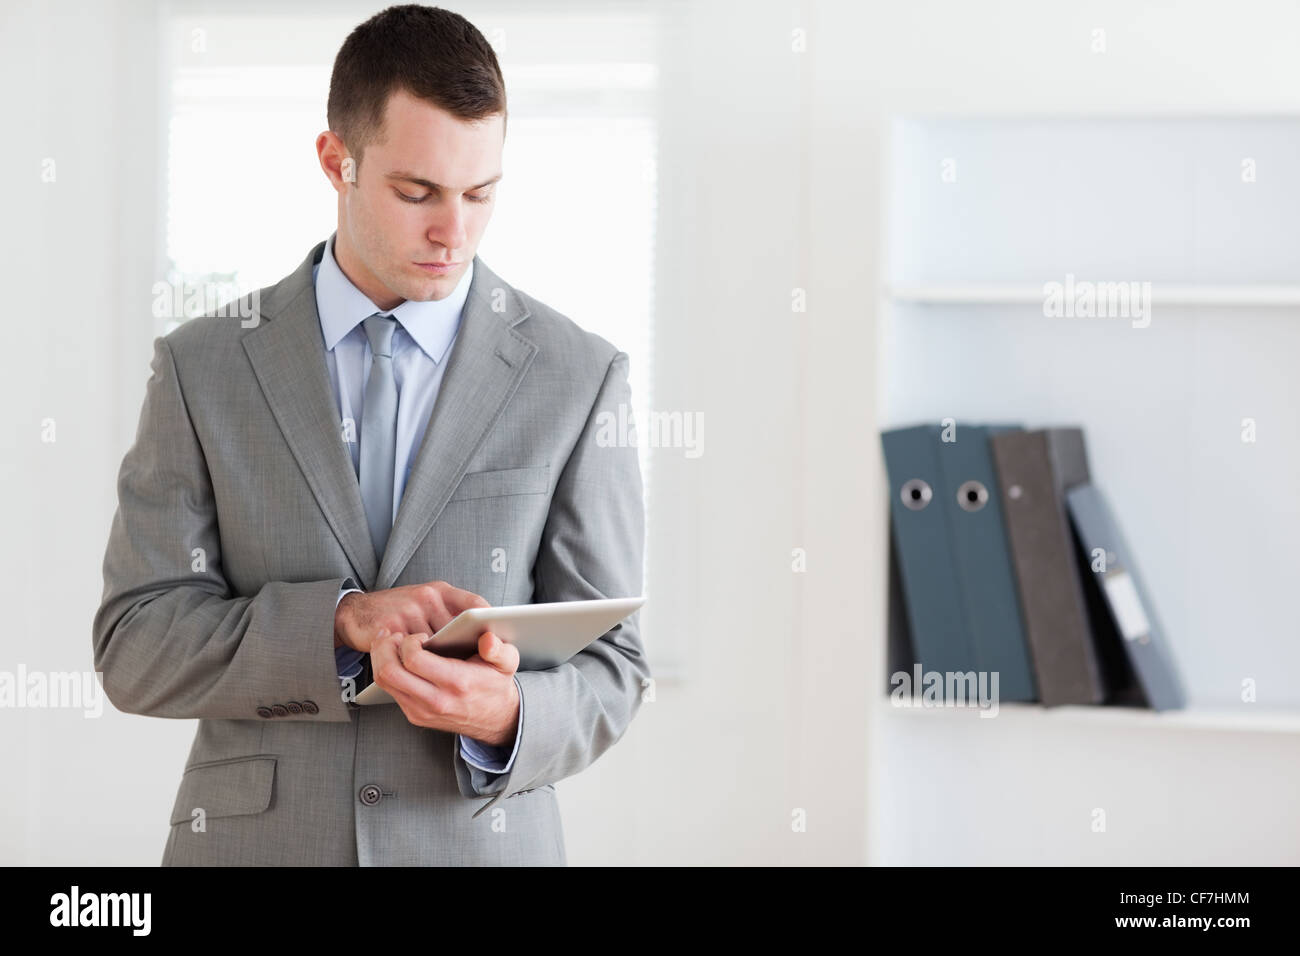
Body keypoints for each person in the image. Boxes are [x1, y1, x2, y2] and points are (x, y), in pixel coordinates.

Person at [92, 3, 648, 866]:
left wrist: (506, 718)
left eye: (480, 194)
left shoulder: (580, 377)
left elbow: (614, 665)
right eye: (416, 191)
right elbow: (136, 647)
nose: (451, 233)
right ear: (335, 160)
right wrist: (340, 625)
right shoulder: (201, 366)